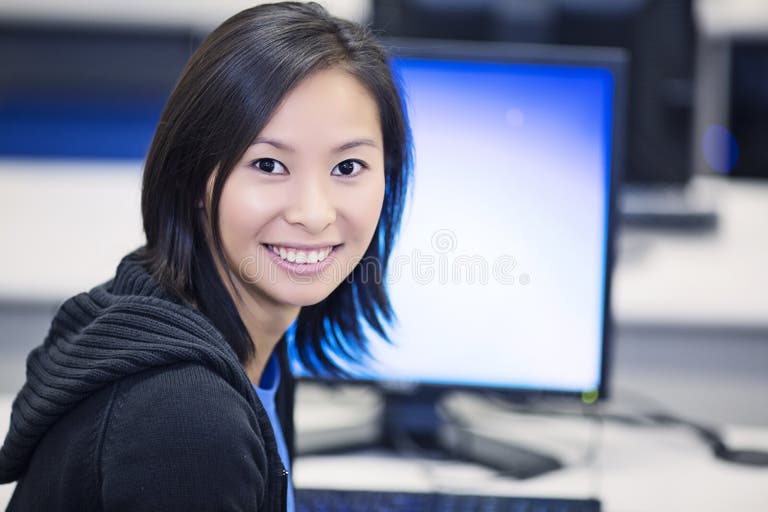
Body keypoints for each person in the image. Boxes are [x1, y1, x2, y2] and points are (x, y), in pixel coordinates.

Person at [0, 2, 412, 510]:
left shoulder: (246, 346)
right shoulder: (186, 421)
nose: (314, 213)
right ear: (195, 178)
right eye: (268, 164)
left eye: (348, 166)